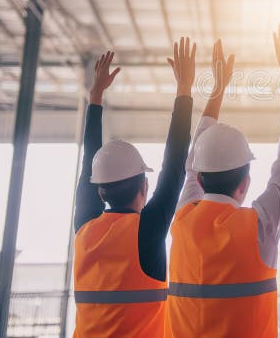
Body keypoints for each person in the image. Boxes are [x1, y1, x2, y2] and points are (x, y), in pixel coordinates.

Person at [165, 27, 280, 338]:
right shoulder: (258, 227)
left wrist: (218, 89)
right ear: (245, 183)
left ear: (200, 178)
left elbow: (193, 162)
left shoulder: (183, 219)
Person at [72, 39, 195, 338]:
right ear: (145, 185)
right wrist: (184, 88)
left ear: (99, 191)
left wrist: (95, 95)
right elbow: (175, 164)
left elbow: (90, 163)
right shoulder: (146, 231)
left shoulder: (85, 229)